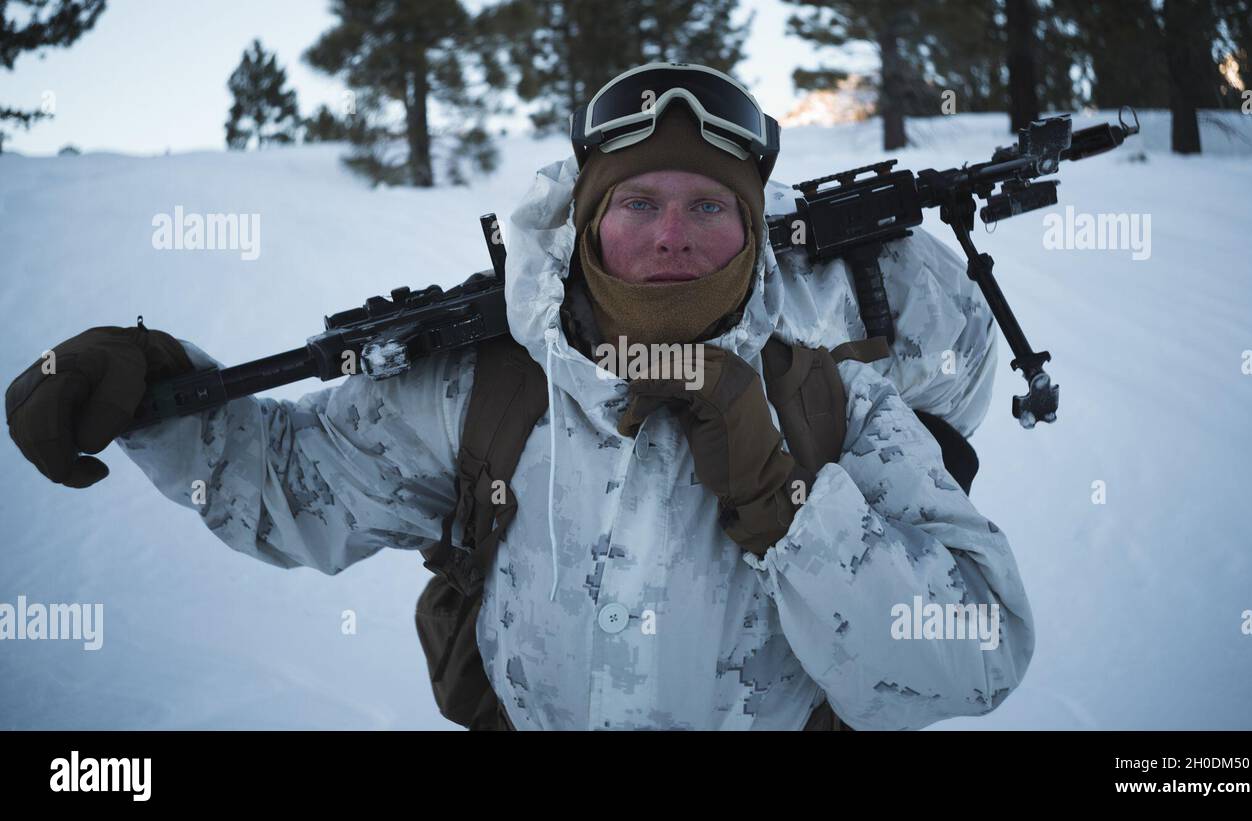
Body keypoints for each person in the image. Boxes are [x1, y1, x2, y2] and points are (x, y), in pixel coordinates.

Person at [5, 62, 1032, 730]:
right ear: (587, 222)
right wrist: (154, 390)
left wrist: (789, 505)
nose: (670, 233)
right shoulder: (480, 385)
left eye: (707, 205)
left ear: (754, 227)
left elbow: (975, 655)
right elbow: (285, 490)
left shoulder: (835, 401)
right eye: (636, 201)